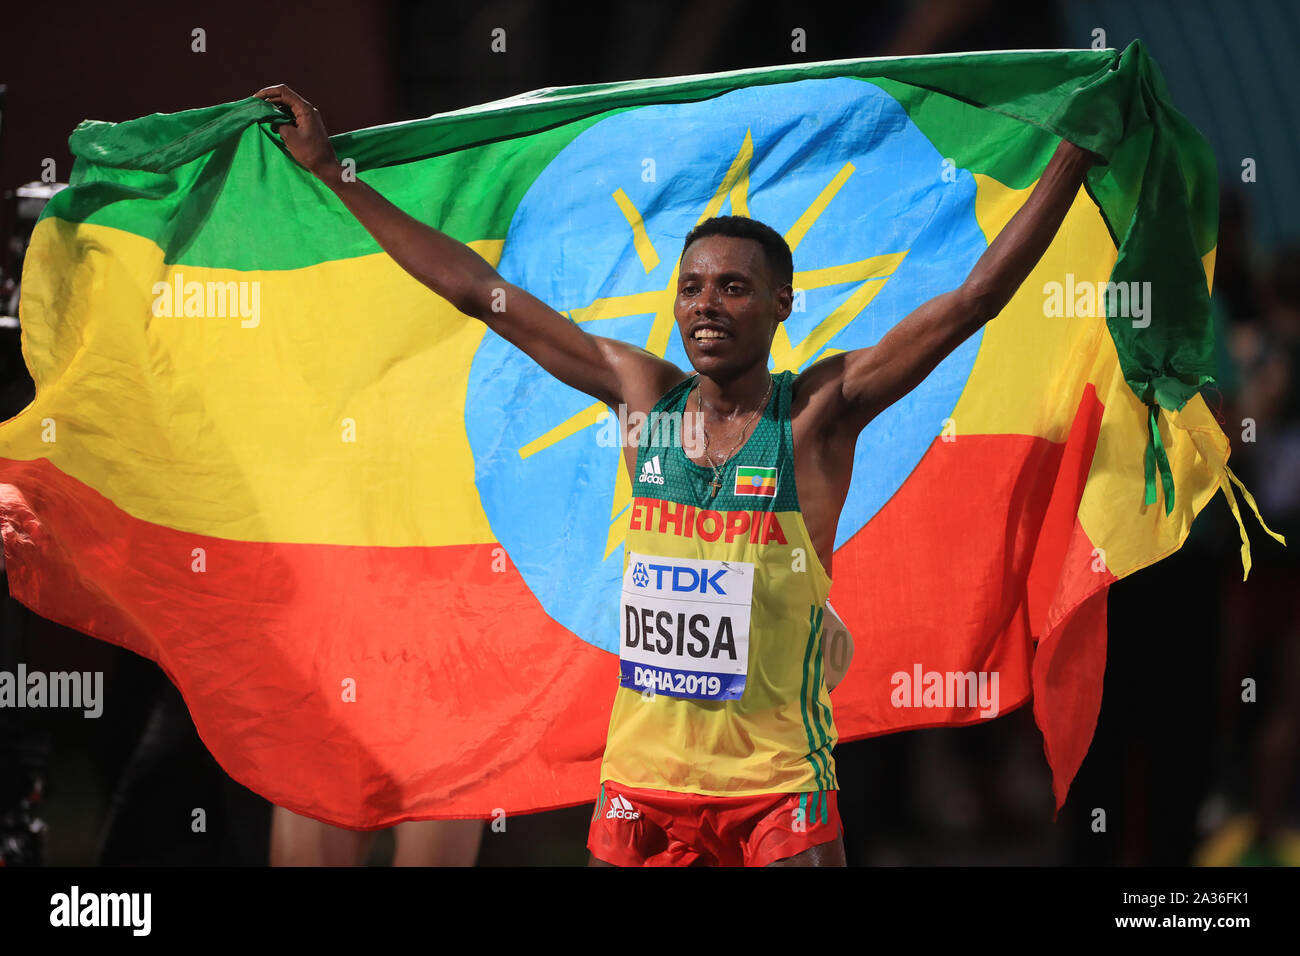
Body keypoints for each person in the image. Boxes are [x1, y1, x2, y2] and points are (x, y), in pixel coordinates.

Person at [254, 83, 1096, 866]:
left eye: (734, 287)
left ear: (781, 305)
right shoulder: (640, 395)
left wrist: (1075, 156)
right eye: (691, 287)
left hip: (777, 787)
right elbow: (481, 292)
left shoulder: (818, 414)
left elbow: (976, 297)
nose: (706, 304)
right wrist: (336, 175)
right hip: (641, 786)